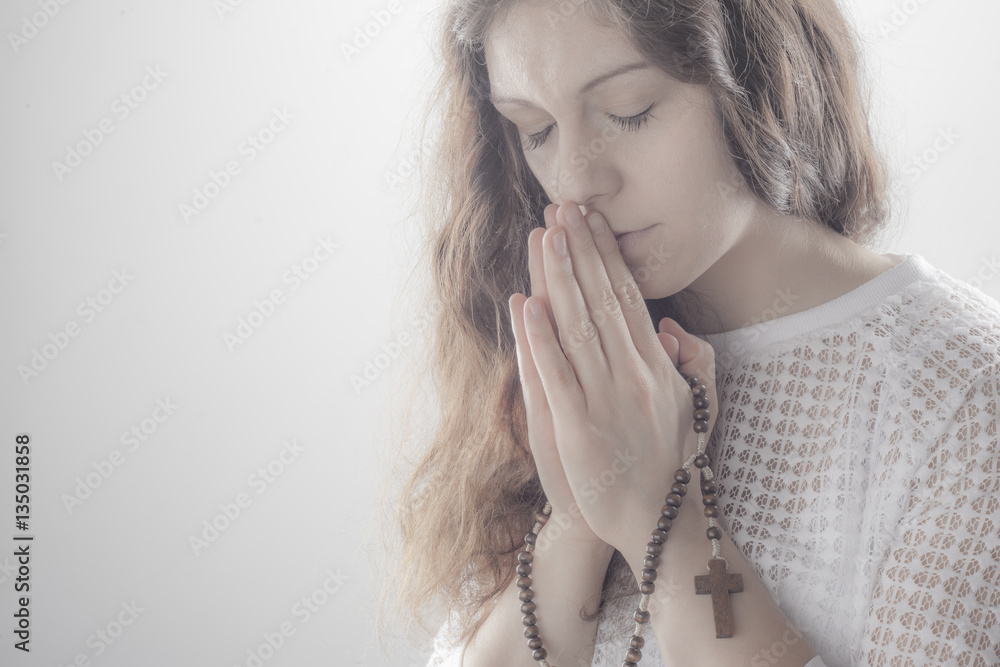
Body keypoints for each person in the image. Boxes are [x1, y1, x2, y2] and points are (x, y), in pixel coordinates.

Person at [376, 1, 1000, 665]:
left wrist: (658, 510)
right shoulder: (571, 356)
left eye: (630, 110)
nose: (576, 180)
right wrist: (581, 521)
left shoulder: (962, 395)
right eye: (535, 129)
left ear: (759, 74)